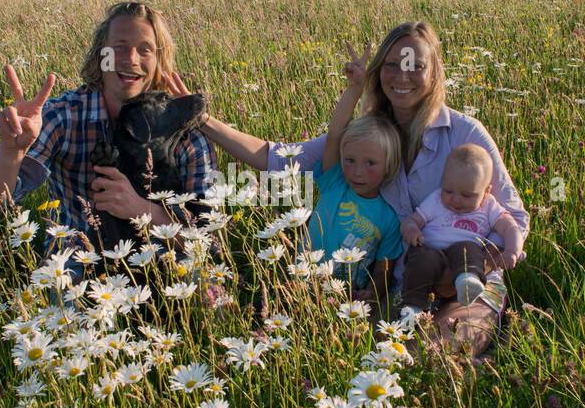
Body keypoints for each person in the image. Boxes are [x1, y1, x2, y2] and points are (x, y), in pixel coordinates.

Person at [166, 21, 528, 357]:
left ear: (434, 73)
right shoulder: (366, 139)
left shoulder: (466, 134)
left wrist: (465, 269)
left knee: (442, 351)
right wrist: (202, 120)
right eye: (391, 64)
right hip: (403, 287)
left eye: (415, 65)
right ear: (378, 72)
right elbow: (277, 158)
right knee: (372, 356)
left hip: (469, 282)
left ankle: (482, 346)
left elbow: (514, 217)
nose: (402, 75)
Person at [0, 1, 215, 262]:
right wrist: (10, 151)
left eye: (145, 50)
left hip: (168, 267)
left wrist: (142, 210)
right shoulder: (62, 116)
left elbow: (208, 242)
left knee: (209, 291)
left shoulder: (185, 130)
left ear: (159, 62)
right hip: (78, 264)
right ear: (101, 56)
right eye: (119, 48)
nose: (131, 59)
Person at [306, 42, 404, 305]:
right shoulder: (334, 181)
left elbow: (385, 265)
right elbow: (336, 132)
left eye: (370, 163)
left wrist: (375, 293)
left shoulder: (389, 216)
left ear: (389, 166)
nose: (357, 171)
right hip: (303, 284)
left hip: (349, 300)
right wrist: (355, 89)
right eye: (349, 160)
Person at [399, 143, 524, 313]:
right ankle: (413, 307)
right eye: (448, 191)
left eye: (466, 195)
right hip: (430, 251)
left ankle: (468, 282)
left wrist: (511, 251)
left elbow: (510, 227)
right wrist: (412, 229)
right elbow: (413, 220)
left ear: (486, 192)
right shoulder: (436, 199)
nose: (456, 200)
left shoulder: (489, 207)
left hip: (464, 258)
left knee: (468, 248)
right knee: (421, 260)